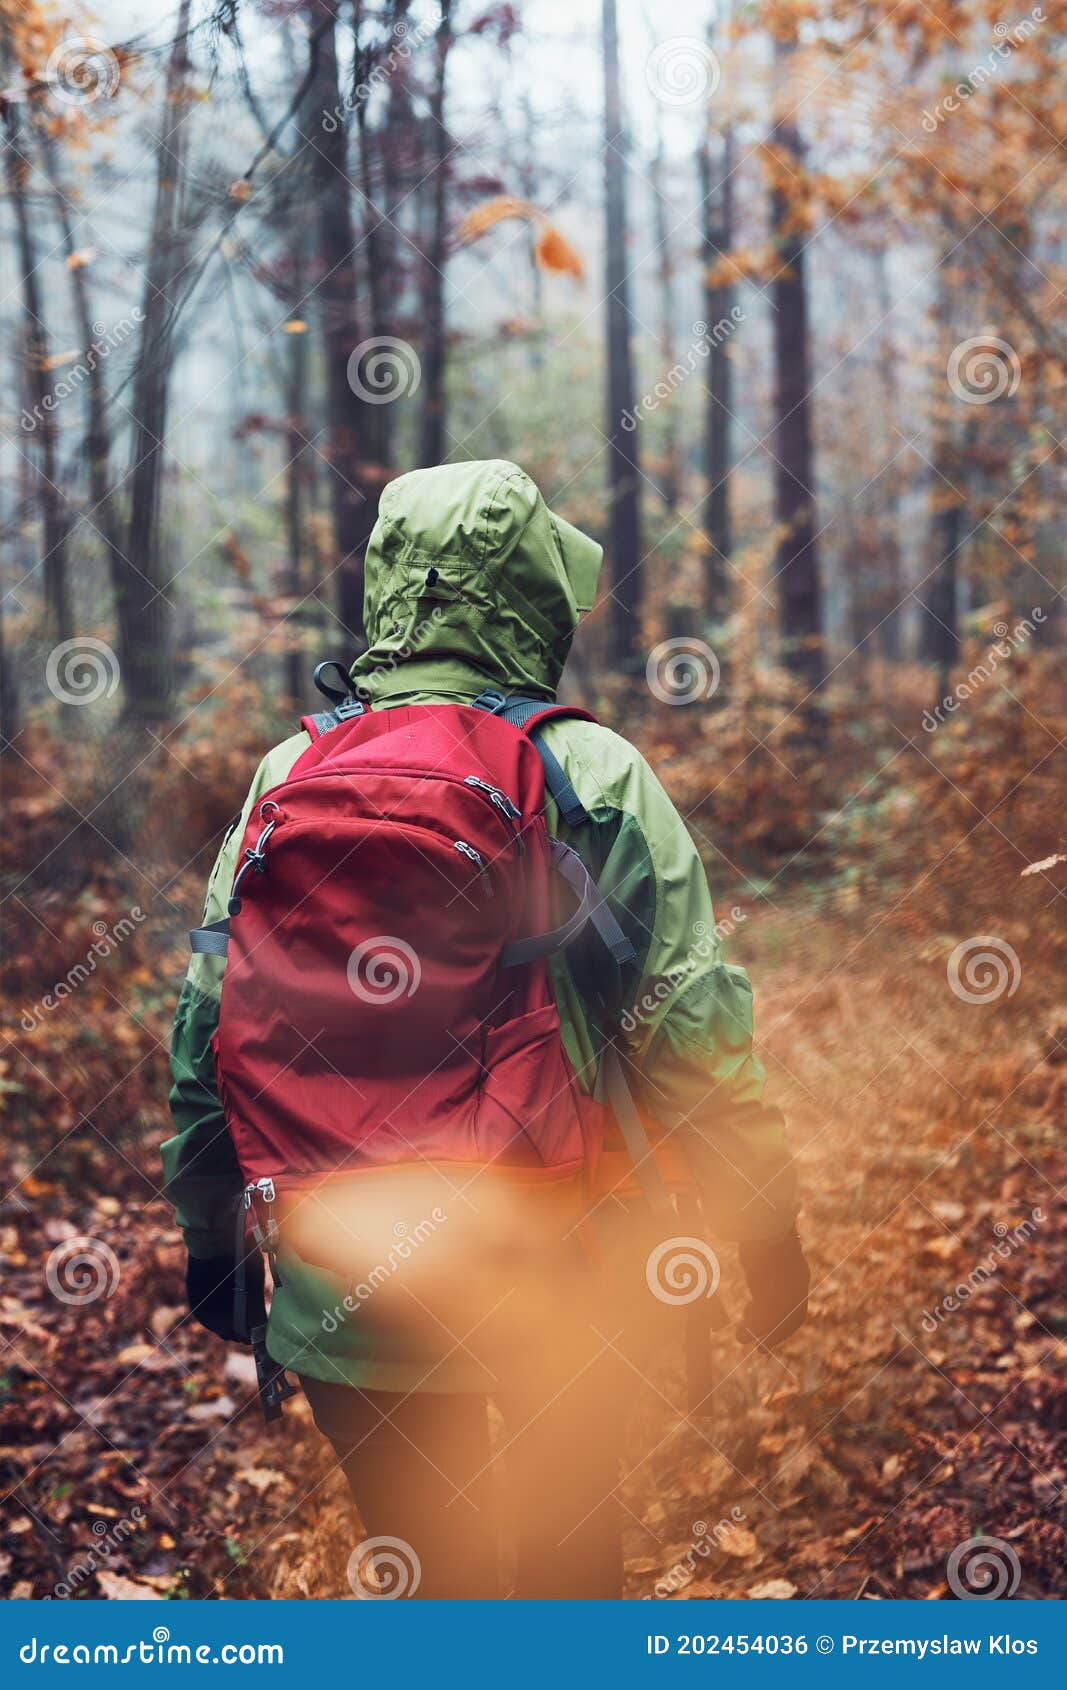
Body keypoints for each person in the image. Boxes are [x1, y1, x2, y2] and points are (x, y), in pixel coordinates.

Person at [163, 458, 808, 1600]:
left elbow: (207, 1025)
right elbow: (690, 1029)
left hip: (342, 1274)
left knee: (426, 1581)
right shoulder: (589, 771)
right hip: (560, 1262)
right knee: (568, 1561)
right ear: (533, 593)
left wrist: (213, 1240)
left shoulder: (290, 769)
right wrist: (758, 1225)